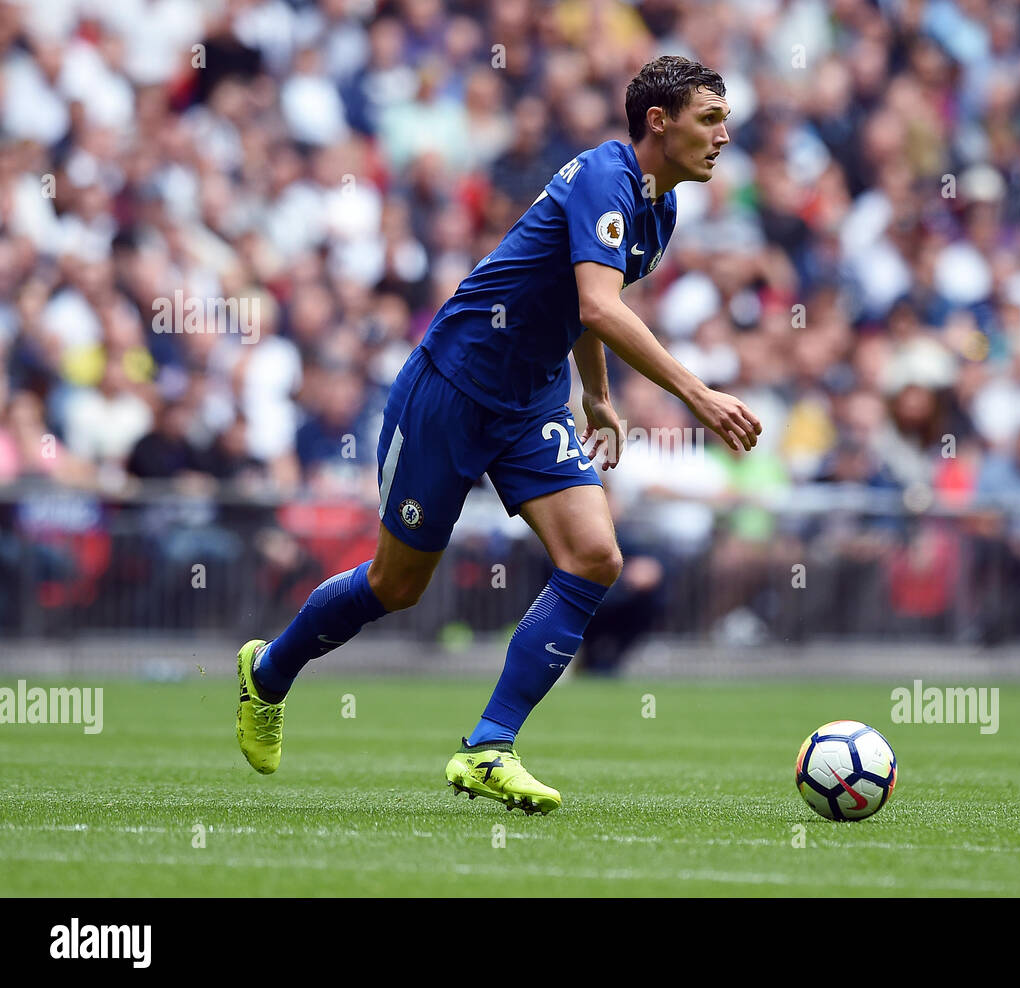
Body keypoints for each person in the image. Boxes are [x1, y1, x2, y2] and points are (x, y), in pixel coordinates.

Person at [235, 56, 762, 813]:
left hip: (531, 403)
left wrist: (598, 395)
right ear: (659, 121)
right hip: (451, 387)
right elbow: (600, 305)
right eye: (710, 118)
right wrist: (697, 393)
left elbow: (584, 307)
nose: (724, 134)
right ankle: (269, 673)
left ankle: (489, 747)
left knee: (595, 556)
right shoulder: (605, 178)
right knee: (396, 585)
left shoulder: (662, 210)